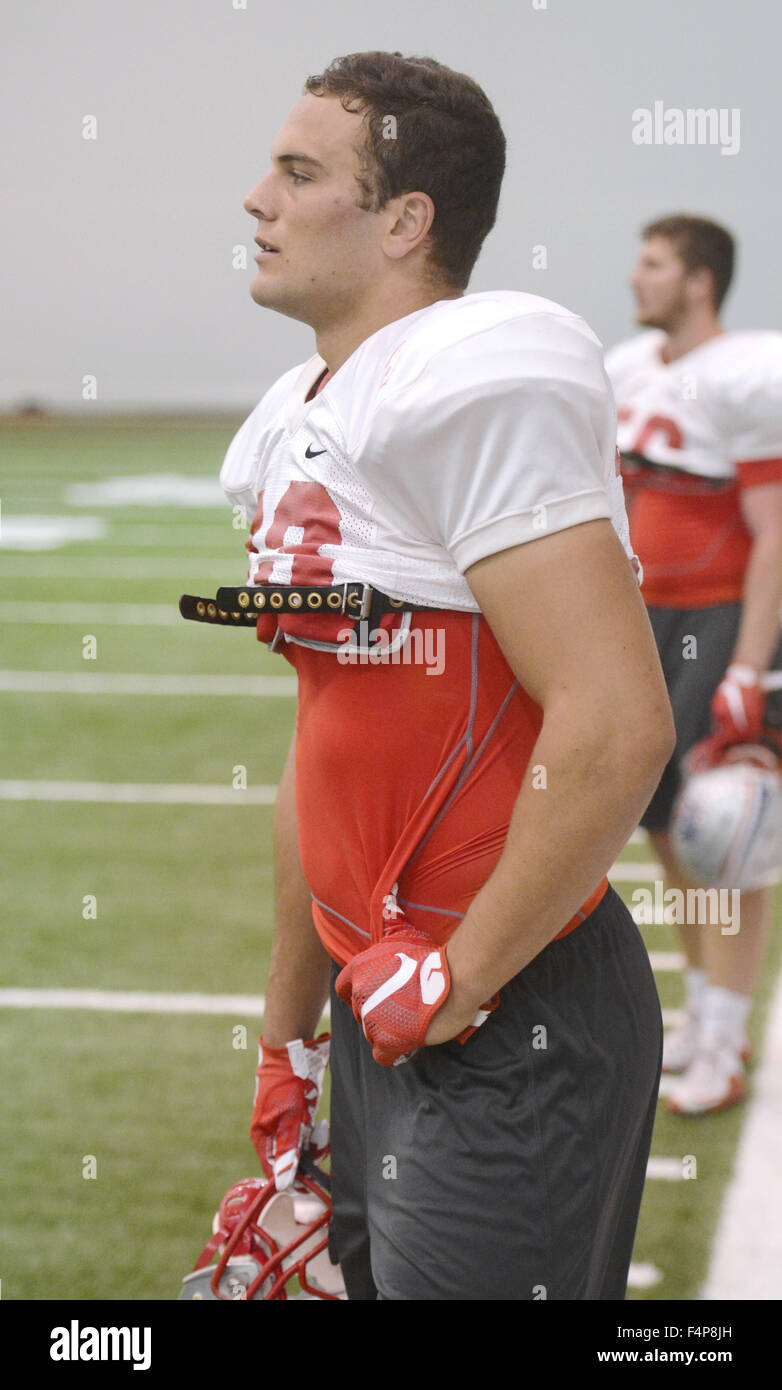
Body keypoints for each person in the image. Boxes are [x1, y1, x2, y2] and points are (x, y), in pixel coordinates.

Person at [222, 50, 674, 1299]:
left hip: (503, 1001)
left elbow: (618, 720)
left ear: (404, 220)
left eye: (298, 172)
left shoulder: (475, 374)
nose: (254, 197)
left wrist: (459, 976)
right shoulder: (300, 414)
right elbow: (323, 750)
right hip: (385, 1003)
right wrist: (286, 1033)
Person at [605, 215, 782, 1116]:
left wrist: (750, 665)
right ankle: (706, 1009)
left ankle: (726, 1032)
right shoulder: (630, 367)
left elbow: (773, 532)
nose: (636, 279)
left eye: (655, 263)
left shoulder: (749, 376)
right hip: (646, 616)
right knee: (667, 823)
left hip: (716, 618)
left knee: (730, 828)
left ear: (700, 280)